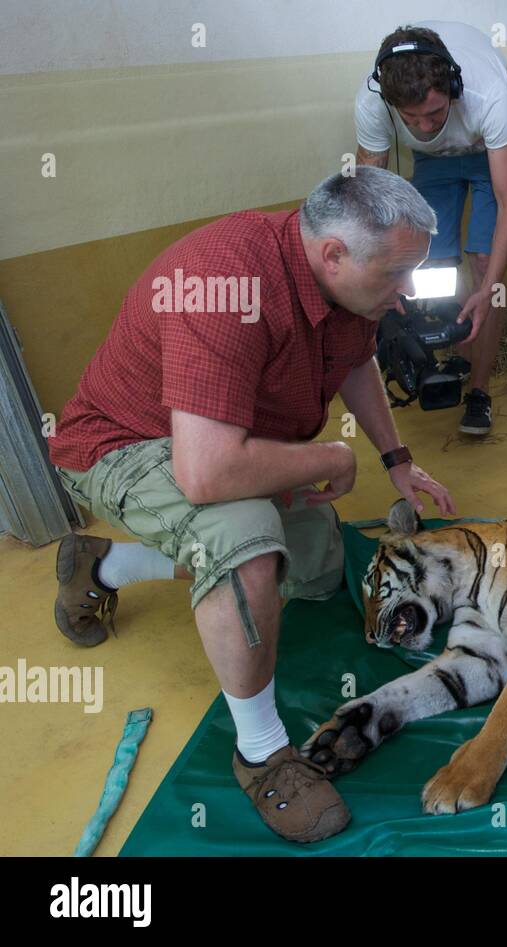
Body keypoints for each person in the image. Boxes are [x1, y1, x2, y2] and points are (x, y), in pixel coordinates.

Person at [48, 167, 457, 842]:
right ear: (333, 255)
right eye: (396, 273)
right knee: (244, 535)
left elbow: (355, 360)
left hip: (217, 438)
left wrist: (395, 458)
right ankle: (262, 751)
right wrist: (332, 457)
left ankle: (105, 568)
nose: (408, 291)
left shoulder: (347, 285)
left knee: (319, 559)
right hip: (124, 446)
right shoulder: (222, 283)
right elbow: (205, 472)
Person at [355, 21, 507, 434]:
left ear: (452, 86)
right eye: (411, 118)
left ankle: (480, 391)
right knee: (431, 261)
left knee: (485, 263)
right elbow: (368, 198)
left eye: (434, 112)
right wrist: (380, 277)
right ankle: (449, 354)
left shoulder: (489, 95)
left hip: (492, 145)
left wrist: (489, 290)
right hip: (433, 161)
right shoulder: (371, 103)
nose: (426, 125)